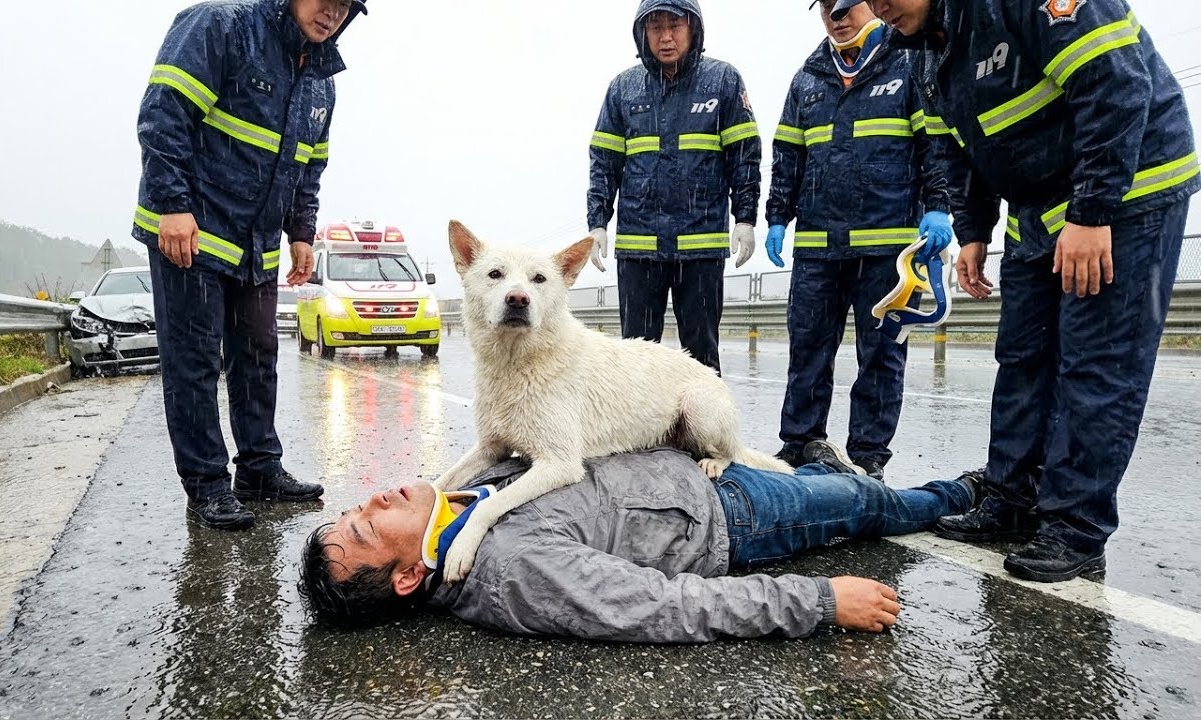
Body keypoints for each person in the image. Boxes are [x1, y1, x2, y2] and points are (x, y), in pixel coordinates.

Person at [830, 0, 1198, 581]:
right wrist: (973, 232)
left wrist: (1094, 211)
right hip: (1041, 205)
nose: (875, 7)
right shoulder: (927, 50)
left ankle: (1075, 527)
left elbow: (1114, 83)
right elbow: (961, 147)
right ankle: (1012, 497)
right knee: (1023, 356)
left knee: (1095, 365)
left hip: (1125, 194)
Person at [297, 444, 979, 642]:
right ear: (411, 577)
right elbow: (668, 606)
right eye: (365, 526)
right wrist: (823, 602)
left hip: (691, 462)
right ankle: (960, 495)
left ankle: (819, 470)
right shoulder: (515, 572)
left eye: (356, 508)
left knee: (820, 482)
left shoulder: (459, 502)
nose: (375, 499)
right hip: (729, 512)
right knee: (865, 503)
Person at [132, 0, 369, 529]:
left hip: (255, 244)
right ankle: (208, 485)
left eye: (345, 6)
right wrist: (171, 204)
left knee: (259, 356)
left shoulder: (322, 80)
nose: (332, 13)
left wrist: (302, 234)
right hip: (190, 232)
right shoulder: (222, 26)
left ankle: (259, 468)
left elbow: (308, 166)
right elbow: (163, 113)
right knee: (195, 362)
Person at [765, 0, 952, 481]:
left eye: (848, 4)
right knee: (807, 347)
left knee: (882, 353)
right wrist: (777, 218)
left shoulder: (907, 60)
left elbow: (936, 140)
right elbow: (787, 154)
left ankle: (869, 454)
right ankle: (800, 443)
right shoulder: (806, 78)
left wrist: (939, 205)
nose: (837, 14)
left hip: (887, 247)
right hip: (817, 247)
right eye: (827, 6)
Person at [586, 0, 762, 374]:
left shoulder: (723, 81)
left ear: (693, 28)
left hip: (700, 249)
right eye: (655, 27)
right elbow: (604, 162)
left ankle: (703, 433)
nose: (665, 37)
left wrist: (745, 218)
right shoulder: (623, 89)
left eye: (674, 26)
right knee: (636, 363)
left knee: (700, 359)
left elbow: (744, 156)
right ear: (642, 33)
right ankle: (640, 435)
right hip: (638, 250)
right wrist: (597, 221)